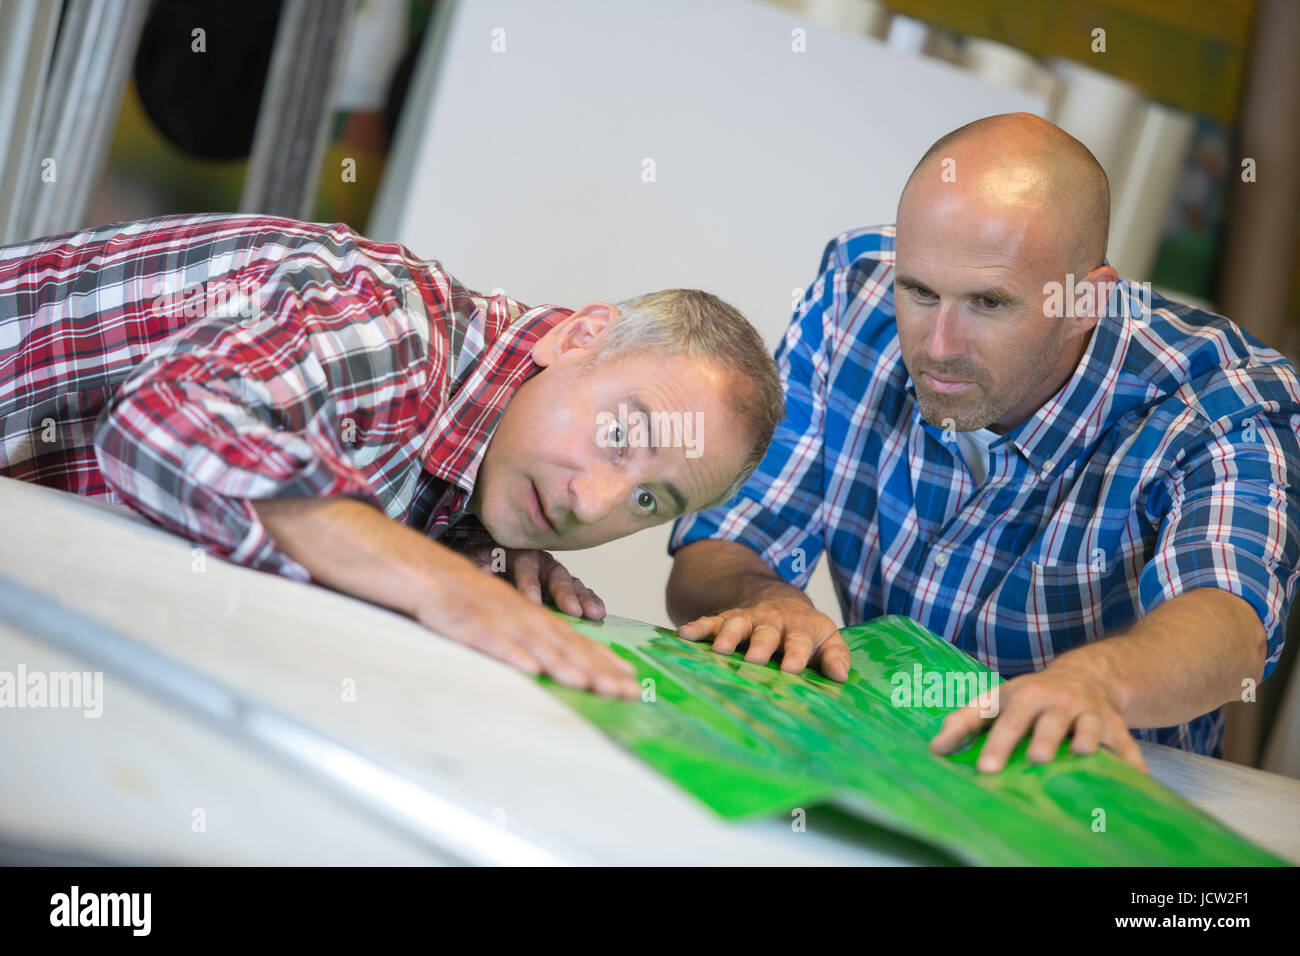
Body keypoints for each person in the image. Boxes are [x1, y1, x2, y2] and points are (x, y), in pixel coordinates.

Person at [667, 113, 1300, 770]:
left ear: (1088, 301)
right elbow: (725, 540)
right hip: (874, 758)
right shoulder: (854, 291)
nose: (937, 347)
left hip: (1090, 797)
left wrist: (1093, 684)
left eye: (989, 304)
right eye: (918, 291)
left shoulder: (1224, 397)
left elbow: (1228, 627)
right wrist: (764, 600)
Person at [0, 213, 783, 699]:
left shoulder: (483, 472)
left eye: (649, 502)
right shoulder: (395, 326)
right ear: (576, 336)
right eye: (621, 434)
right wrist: (432, 578)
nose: (594, 503)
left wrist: (468, 542)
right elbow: (160, 422)